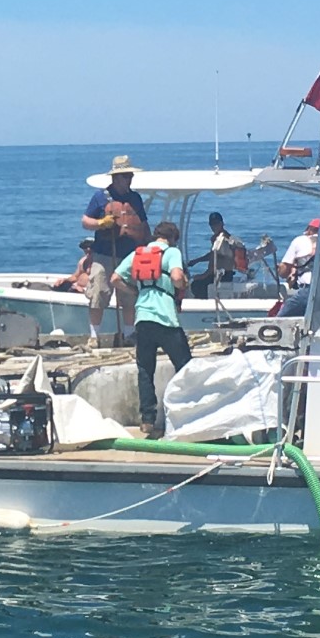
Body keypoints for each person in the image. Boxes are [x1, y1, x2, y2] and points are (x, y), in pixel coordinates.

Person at [115, 220, 189, 436]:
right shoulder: (171, 252)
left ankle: (147, 419)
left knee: (146, 370)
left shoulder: (138, 254)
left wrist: (136, 292)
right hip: (166, 317)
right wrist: (183, 283)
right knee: (185, 367)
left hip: (143, 317)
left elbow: (115, 278)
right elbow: (176, 277)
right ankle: (184, 413)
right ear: (173, 238)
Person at [81, 155, 148, 339]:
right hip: (104, 254)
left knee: (129, 296)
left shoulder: (135, 198)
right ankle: (94, 337)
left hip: (129, 255)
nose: (130, 179)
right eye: (126, 176)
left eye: (130, 175)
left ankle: (128, 334)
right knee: (98, 294)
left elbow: (143, 223)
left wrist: (147, 248)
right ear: (117, 177)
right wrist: (101, 223)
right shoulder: (100, 197)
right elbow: (85, 221)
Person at [274, 217, 319, 316]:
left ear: (310, 229)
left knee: (278, 321)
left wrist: (280, 269)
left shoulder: (300, 241)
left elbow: (284, 271)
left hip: (309, 292)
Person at [194, 211, 247, 295]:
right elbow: (213, 255)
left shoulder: (223, 240)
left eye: (216, 223)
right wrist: (197, 260)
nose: (214, 226)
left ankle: (205, 305)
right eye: (212, 224)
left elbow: (216, 260)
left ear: (222, 223)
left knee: (196, 284)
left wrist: (203, 276)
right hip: (222, 274)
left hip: (223, 275)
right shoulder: (218, 238)